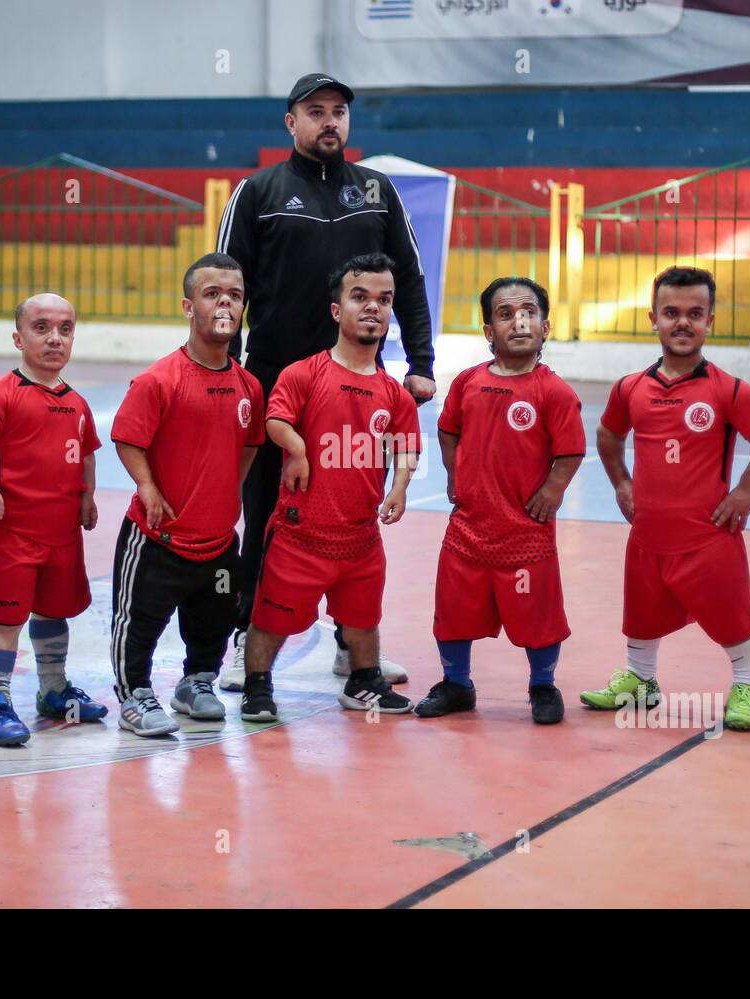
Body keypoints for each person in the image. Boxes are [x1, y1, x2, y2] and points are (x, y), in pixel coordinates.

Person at [216, 72, 436, 691]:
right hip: (272, 385)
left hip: (361, 386)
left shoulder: (377, 190)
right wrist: (228, 373)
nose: (330, 121)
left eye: (339, 111)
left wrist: (419, 363)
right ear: (291, 123)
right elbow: (229, 287)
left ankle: (354, 645)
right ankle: (245, 640)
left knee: (354, 516)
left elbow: (410, 280)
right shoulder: (256, 192)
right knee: (265, 512)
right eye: (316, 111)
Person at [581, 267, 750, 732]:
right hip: (649, 533)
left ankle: (748, 684)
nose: (683, 323)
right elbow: (608, 435)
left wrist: (745, 493)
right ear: (654, 318)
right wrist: (621, 484)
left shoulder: (729, 389)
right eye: (672, 313)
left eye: (695, 313)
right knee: (642, 613)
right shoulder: (631, 388)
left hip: (709, 535)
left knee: (731, 614)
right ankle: (641, 681)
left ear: (711, 320)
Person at [239, 254, 420, 722]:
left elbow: (405, 447)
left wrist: (399, 485)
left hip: (360, 538)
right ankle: (257, 686)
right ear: (337, 310)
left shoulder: (393, 392)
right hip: (300, 535)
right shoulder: (304, 373)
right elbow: (275, 419)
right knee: (271, 621)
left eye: (383, 300)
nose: (372, 308)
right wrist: (297, 449)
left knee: (363, 621)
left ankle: (364, 682)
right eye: (359, 297)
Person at [415, 278, 585, 725]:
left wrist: (552, 491)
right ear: (489, 330)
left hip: (526, 533)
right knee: (453, 612)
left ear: (545, 327)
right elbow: (449, 429)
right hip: (469, 528)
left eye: (528, 312)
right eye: (505, 314)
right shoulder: (468, 382)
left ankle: (543, 685)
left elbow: (570, 451)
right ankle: (456, 684)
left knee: (539, 617)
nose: (519, 321)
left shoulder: (555, 392)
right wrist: (454, 473)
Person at [108, 253, 264, 736]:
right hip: (157, 540)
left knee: (214, 620)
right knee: (138, 625)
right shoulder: (159, 379)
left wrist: (225, 494)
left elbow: (251, 445)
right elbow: (128, 437)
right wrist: (148, 487)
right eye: (212, 293)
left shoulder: (249, 387)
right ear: (188, 306)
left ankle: (196, 683)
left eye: (234, 295)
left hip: (217, 543)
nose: (224, 303)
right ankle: (134, 694)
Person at [0, 293, 109, 746]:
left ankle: (53, 690)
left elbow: (86, 455)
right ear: (18, 337)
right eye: (42, 328)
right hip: (12, 532)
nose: (54, 339)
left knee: (54, 612)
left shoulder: (79, 404)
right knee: (6, 619)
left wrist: (87, 498)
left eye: (65, 329)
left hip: (61, 533)